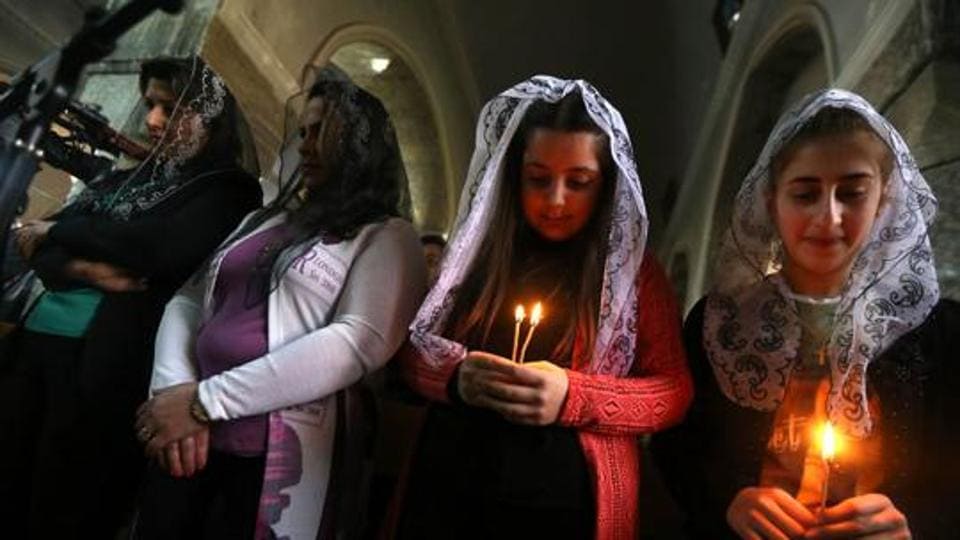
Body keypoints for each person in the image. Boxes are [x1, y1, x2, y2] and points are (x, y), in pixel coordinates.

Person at [133, 65, 427, 540]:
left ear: (360, 146)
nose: (306, 144)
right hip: (187, 434)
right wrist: (172, 390)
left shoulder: (388, 237)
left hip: (272, 453)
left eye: (323, 133)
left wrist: (207, 401)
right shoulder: (264, 219)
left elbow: (355, 344)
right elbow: (188, 298)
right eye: (304, 132)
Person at [393, 77, 693, 539]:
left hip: (565, 508)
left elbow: (672, 392)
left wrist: (572, 396)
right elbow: (413, 353)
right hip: (452, 491)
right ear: (516, 175)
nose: (556, 200)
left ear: (606, 183)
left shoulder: (633, 273)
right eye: (539, 179)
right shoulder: (479, 254)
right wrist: (455, 377)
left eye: (578, 182)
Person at [652, 89, 959, 539]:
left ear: (884, 199)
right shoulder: (719, 326)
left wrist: (913, 525)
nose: (829, 217)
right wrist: (730, 500)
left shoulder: (939, 332)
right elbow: (678, 446)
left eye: (852, 193)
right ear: (772, 202)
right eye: (805, 193)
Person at [0, 55, 263, 538]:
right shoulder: (132, 177)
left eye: (169, 107)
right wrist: (83, 264)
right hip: (35, 346)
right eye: (150, 105)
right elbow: (36, 246)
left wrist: (66, 234)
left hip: (104, 366)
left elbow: (158, 250)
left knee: (61, 507)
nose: (153, 120)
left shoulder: (229, 189)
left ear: (208, 114)